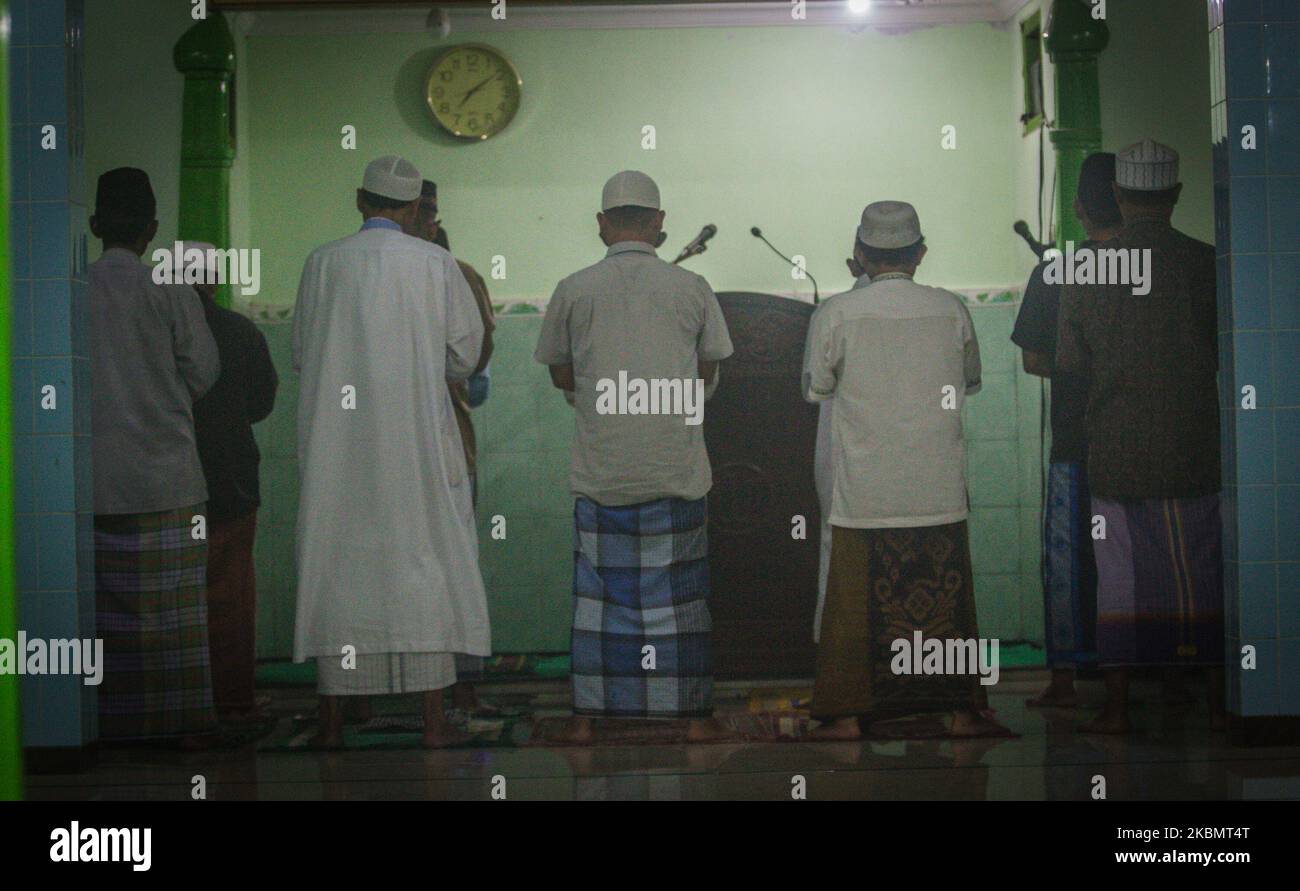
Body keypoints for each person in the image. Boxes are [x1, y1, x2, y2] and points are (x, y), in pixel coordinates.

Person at [291, 155, 489, 749]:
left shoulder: (322, 264)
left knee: (340, 567)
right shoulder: (437, 263)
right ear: (412, 210)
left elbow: (303, 354)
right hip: (417, 448)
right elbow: (465, 355)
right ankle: (432, 723)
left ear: (359, 201)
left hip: (339, 453)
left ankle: (331, 724)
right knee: (423, 563)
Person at [534, 170, 734, 744]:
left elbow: (560, 373)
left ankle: (588, 720)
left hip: (604, 475)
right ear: (660, 224)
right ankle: (692, 721)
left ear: (601, 225)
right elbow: (710, 367)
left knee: (600, 606)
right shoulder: (691, 286)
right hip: (676, 471)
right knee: (680, 605)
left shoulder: (573, 288)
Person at [803, 201, 1005, 740]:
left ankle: (846, 716)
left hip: (864, 492)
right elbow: (969, 381)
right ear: (919, 254)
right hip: (936, 485)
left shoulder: (835, 314)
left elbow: (816, 389)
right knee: (946, 600)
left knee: (853, 604)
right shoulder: (952, 310)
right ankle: (961, 711)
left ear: (860, 255)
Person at [1056, 139, 1224, 734]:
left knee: (1121, 575)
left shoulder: (1084, 269)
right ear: (1175, 195)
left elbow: (1071, 362)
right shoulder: (1208, 263)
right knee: (1200, 570)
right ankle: (1215, 701)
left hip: (1116, 446)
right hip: (1194, 445)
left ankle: (1120, 708)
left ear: (1120, 196)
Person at [89, 168, 221, 743]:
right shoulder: (170, 289)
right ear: (152, 230)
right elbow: (203, 372)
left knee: (107, 623)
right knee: (175, 623)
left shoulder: (70, 287)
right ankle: (181, 732)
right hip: (168, 483)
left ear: (94, 226)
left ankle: (116, 732)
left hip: (92, 485)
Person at [1012, 154, 1121, 707]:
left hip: (1076, 441)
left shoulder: (1056, 271)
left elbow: (1034, 361)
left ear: (1078, 209)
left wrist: (1079, 367)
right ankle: (1165, 678)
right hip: (1152, 442)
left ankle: (1064, 682)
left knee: (1071, 561)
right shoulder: (1164, 268)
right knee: (1143, 559)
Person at [406, 179, 497, 714]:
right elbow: (477, 372)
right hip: (446, 450)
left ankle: (364, 697)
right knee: (450, 566)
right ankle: (453, 690)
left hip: (387, 452)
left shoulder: (343, 268)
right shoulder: (458, 276)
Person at [182, 243, 279, 724]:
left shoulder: (158, 331)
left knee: (176, 600)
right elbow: (262, 404)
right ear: (216, 281)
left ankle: (184, 704)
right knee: (231, 597)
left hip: (173, 485)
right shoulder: (240, 330)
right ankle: (234, 701)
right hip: (232, 482)